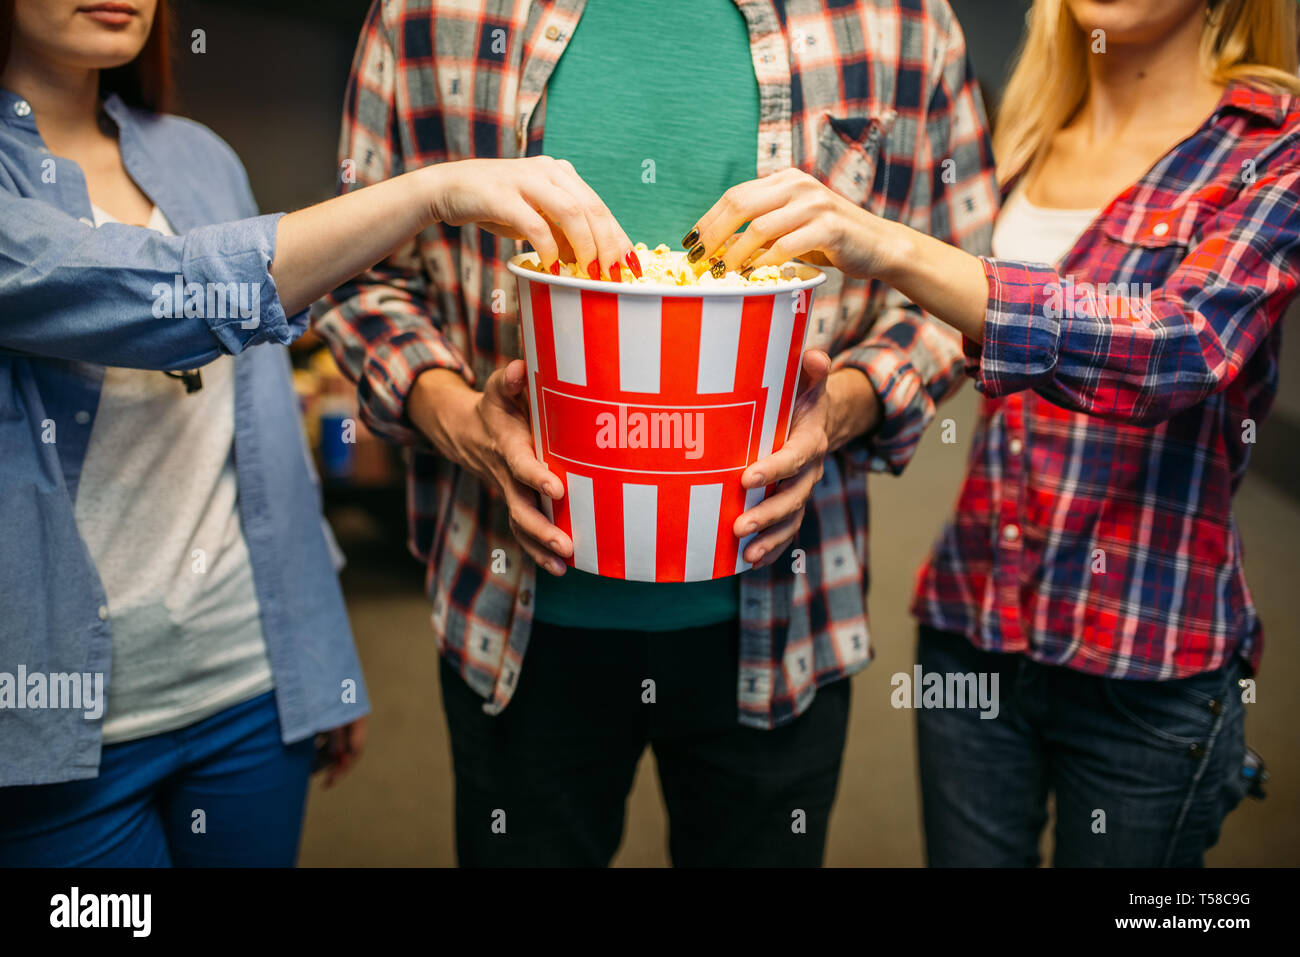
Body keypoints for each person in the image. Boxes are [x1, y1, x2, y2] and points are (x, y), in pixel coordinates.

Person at [314, 0, 997, 866]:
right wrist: (463, 424)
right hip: (513, 615)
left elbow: (963, 282)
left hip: (785, 620)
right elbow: (356, 279)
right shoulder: (431, 12)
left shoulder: (902, 17)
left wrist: (843, 407)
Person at [0, 0, 634, 866]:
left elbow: (264, 433)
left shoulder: (199, 158)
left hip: (248, 693)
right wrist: (432, 189)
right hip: (58, 723)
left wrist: (318, 658)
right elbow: (165, 298)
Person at [691, 0, 1300, 866]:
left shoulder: (1271, 146)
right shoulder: (1027, 130)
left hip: (1147, 657)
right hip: (974, 625)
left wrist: (886, 245)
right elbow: (940, 334)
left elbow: (1180, 346)